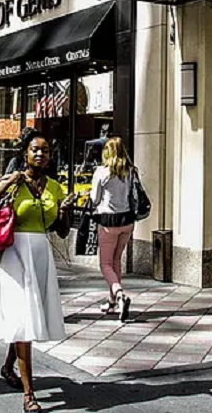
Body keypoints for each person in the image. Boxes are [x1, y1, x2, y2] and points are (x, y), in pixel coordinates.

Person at [0, 133, 75, 412]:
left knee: (28, 318)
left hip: (41, 254)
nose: (40, 154)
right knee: (24, 316)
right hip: (16, 254)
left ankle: (8, 366)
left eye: (45, 150)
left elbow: (62, 231)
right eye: (35, 150)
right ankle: (29, 394)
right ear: (25, 154)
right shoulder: (13, 183)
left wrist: (65, 211)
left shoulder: (54, 187)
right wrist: (7, 183)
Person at [88, 136, 136, 322]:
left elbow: (94, 199)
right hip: (127, 222)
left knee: (105, 264)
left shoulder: (101, 172)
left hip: (108, 222)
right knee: (116, 260)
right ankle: (112, 301)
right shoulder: (130, 171)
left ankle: (119, 293)